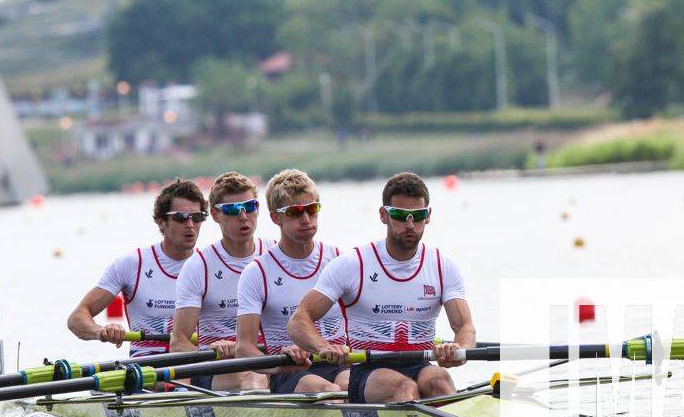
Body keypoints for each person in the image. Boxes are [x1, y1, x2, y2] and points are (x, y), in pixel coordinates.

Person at [288, 172, 476, 403]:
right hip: (368, 369)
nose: (410, 225)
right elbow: (299, 320)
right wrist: (324, 347)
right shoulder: (352, 264)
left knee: (440, 381)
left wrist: (459, 351)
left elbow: (465, 326)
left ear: (428, 216)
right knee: (404, 389)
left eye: (417, 216)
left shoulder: (442, 266)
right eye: (399, 215)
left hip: (420, 363)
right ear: (383, 215)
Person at [235, 169, 348, 395]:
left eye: (312, 209)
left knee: (347, 387)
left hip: (339, 365)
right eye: (296, 212)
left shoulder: (339, 259)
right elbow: (244, 348)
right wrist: (278, 364)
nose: (306, 219)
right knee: (331, 391)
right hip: (291, 371)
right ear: (276, 217)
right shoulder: (257, 273)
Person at [67, 179, 206, 356]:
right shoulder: (132, 264)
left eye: (197, 217)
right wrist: (101, 332)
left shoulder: (208, 265)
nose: (190, 225)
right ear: (161, 222)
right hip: (149, 366)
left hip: (196, 361)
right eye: (181, 217)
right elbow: (77, 318)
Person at [171, 171, 273, 391]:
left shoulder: (275, 255)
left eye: (250, 206)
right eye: (233, 210)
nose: (244, 216)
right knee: (253, 381)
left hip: (275, 362)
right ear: (216, 215)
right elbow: (179, 342)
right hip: (221, 367)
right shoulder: (199, 266)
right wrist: (208, 352)